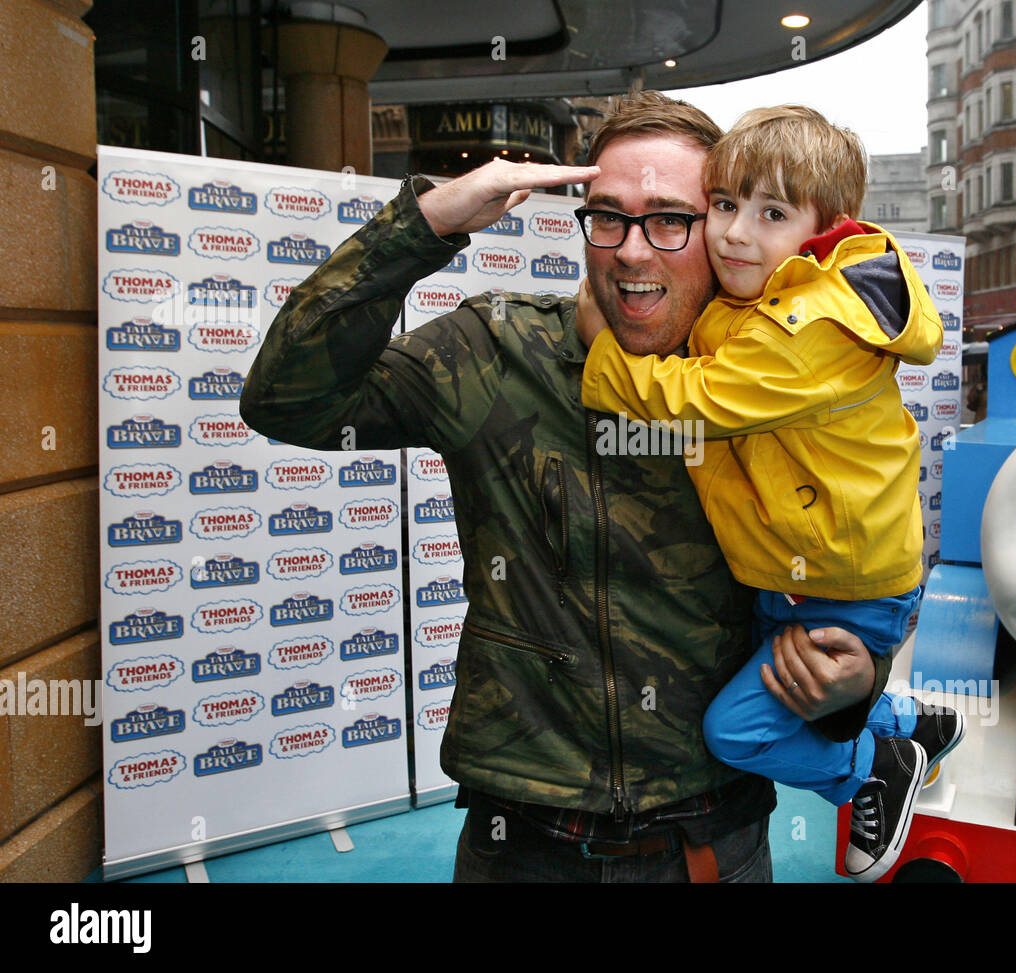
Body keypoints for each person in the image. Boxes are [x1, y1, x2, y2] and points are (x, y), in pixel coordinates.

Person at [241, 91, 891, 883]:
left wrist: (856, 686)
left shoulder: (784, 378)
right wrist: (427, 222)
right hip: (522, 850)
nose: (632, 250)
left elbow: (861, 565)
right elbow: (287, 397)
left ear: (721, 231)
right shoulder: (499, 347)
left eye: (671, 218)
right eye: (607, 216)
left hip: (709, 847)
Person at [578, 105, 965, 881]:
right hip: (795, 571)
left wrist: (603, 351)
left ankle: (875, 765)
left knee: (736, 731)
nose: (732, 234)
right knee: (796, 690)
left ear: (827, 228)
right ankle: (914, 718)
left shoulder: (812, 324)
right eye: (724, 205)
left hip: (837, 586)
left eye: (772, 213)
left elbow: (696, 401)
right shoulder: (763, 302)